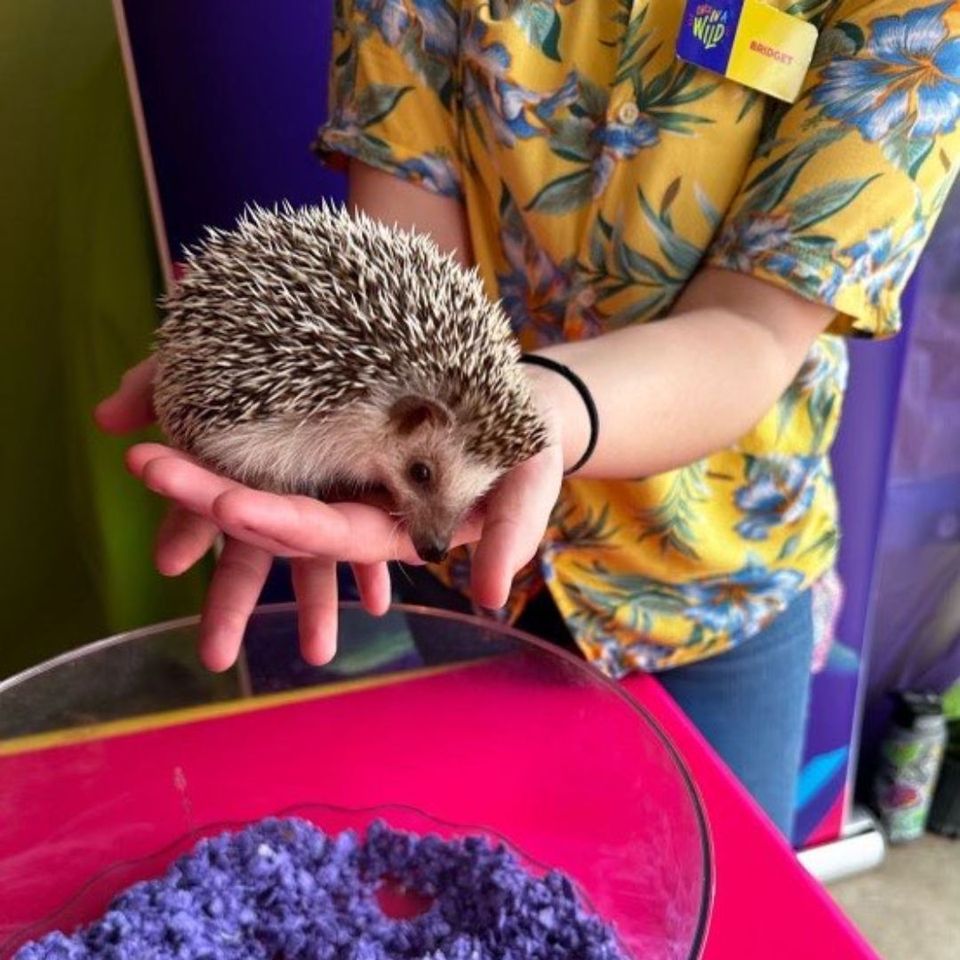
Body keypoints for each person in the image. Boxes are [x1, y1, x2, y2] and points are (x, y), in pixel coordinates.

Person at [96, 0, 960, 837]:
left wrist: (543, 406)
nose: (426, 518)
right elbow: (400, 265)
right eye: (423, 473)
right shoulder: (406, 441)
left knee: (726, 882)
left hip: (713, 571)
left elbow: (754, 328)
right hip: (480, 592)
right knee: (494, 850)